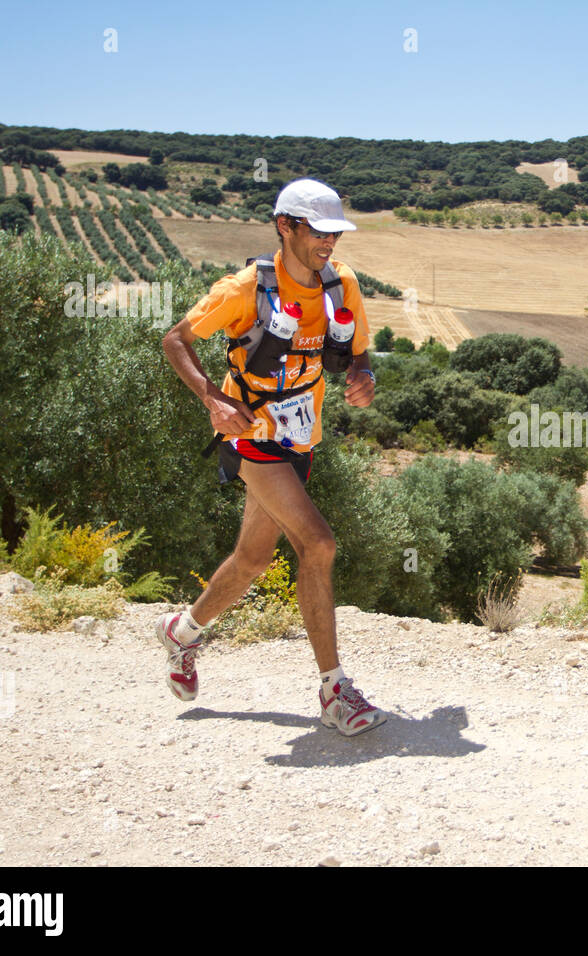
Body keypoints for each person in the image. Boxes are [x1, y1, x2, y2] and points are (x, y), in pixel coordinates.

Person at [158, 178, 385, 737]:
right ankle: (335, 692)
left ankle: (181, 633)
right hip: (252, 436)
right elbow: (175, 340)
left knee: (253, 560)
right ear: (286, 227)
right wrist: (212, 398)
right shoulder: (243, 289)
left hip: (301, 441)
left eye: (336, 232)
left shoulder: (342, 286)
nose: (330, 242)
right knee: (319, 542)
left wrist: (364, 378)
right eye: (319, 231)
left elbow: (357, 356)